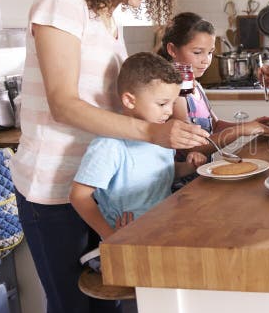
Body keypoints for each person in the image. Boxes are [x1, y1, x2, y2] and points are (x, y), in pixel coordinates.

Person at [11, 0, 209, 313]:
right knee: (70, 312)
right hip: (53, 189)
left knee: (106, 302)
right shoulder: (62, 1)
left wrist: (177, 129)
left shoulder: (108, 17)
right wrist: (151, 135)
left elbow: (122, 102)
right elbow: (63, 104)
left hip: (99, 185)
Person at [69, 53, 208, 241]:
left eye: (172, 103)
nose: (169, 111)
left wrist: (189, 167)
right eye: (162, 103)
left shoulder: (161, 136)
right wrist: (109, 235)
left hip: (163, 227)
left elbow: (162, 172)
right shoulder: (109, 145)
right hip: (130, 238)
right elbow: (79, 196)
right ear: (130, 100)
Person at [157, 12, 269, 154]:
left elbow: (215, 125)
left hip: (201, 171)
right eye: (197, 52)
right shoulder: (175, 93)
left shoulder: (196, 86)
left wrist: (249, 125)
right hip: (184, 175)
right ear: (172, 49)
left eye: (210, 52)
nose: (206, 60)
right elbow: (191, 149)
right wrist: (240, 131)